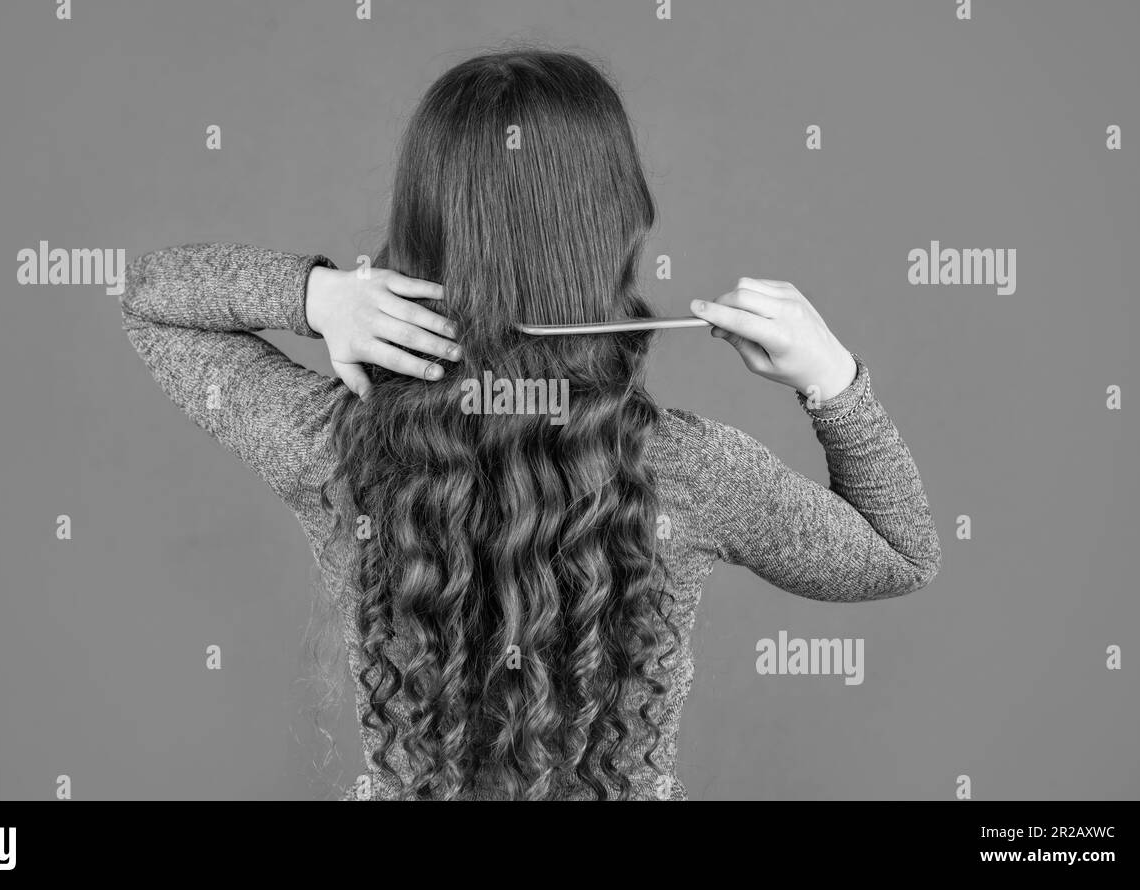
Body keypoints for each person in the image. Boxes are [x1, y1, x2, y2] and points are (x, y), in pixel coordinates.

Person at [120, 49, 941, 800]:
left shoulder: (333, 447)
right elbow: (901, 554)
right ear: (616, 232)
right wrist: (832, 378)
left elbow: (151, 300)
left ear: (423, 228)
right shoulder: (686, 470)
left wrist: (315, 296)